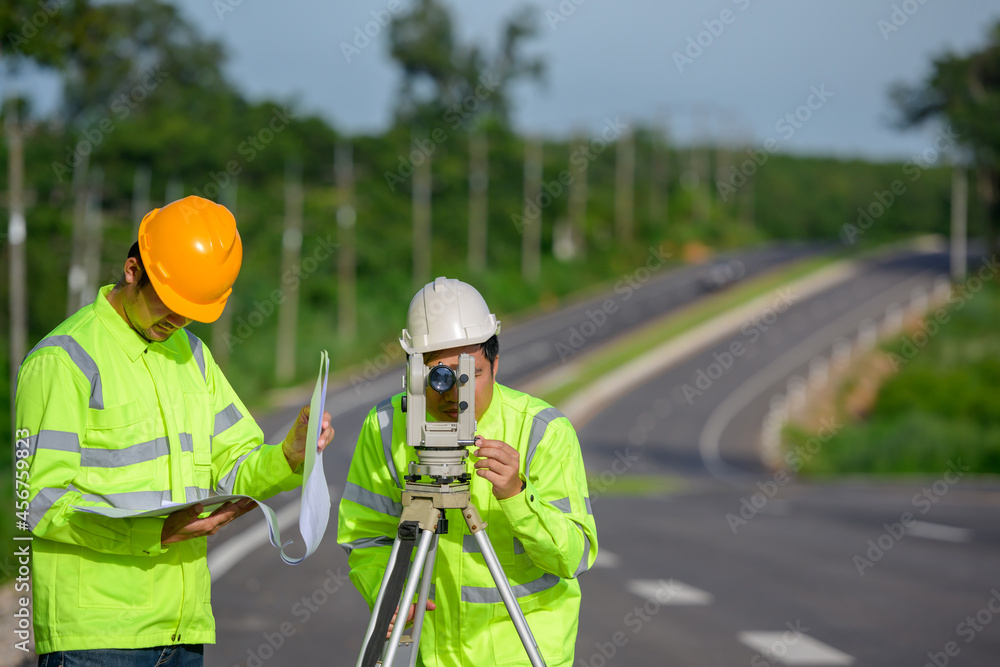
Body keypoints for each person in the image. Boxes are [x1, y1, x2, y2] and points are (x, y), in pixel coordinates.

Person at [16, 195, 335, 667]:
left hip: (181, 632)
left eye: (192, 312)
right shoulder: (64, 361)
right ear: (132, 270)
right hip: (95, 641)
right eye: (170, 304)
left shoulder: (192, 356)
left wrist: (288, 455)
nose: (178, 321)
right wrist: (155, 533)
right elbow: (38, 504)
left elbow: (235, 463)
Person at [338, 277, 598, 666]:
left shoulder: (542, 431)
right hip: (433, 655)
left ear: (496, 363)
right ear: (412, 370)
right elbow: (366, 538)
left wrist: (517, 495)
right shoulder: (387, 428)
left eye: (469, 373)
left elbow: (572, 558)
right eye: (437, 375)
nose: (451, 392)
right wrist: (389, 594)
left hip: (523, 656)